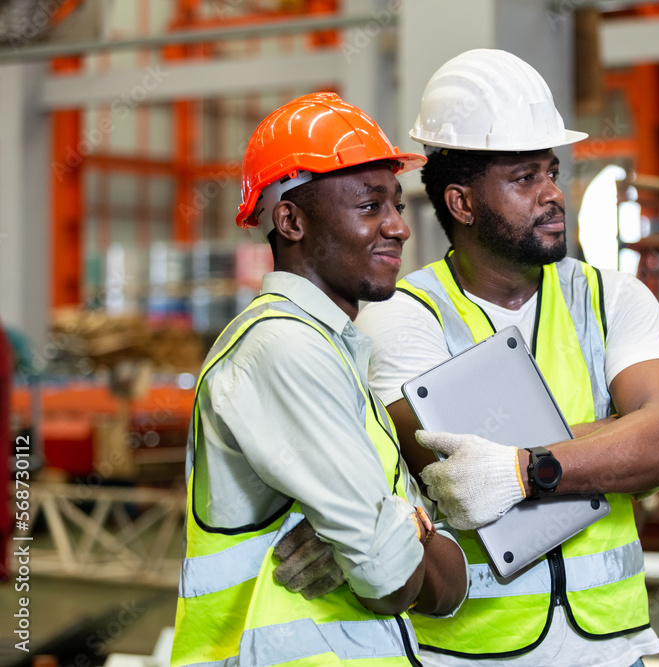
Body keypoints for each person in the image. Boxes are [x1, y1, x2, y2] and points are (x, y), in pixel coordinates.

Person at [356, 49, 659, 666]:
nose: (553, 195)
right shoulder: (404, 316)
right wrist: (619, 434)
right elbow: (455, 470)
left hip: (612, 650)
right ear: (461, 203)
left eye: (551, 172)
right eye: (524, 179)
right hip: (474, 654)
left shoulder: (612, 298)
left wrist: (522, 468)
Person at [170, 93, 468, 667]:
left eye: (396, 205)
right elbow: (391, 579)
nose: (399, 228)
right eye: (369, 206)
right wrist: (408, 537)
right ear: (291, 221)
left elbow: (449, 588)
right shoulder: (284, 349)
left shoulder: (335, 350)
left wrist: (404, 533)